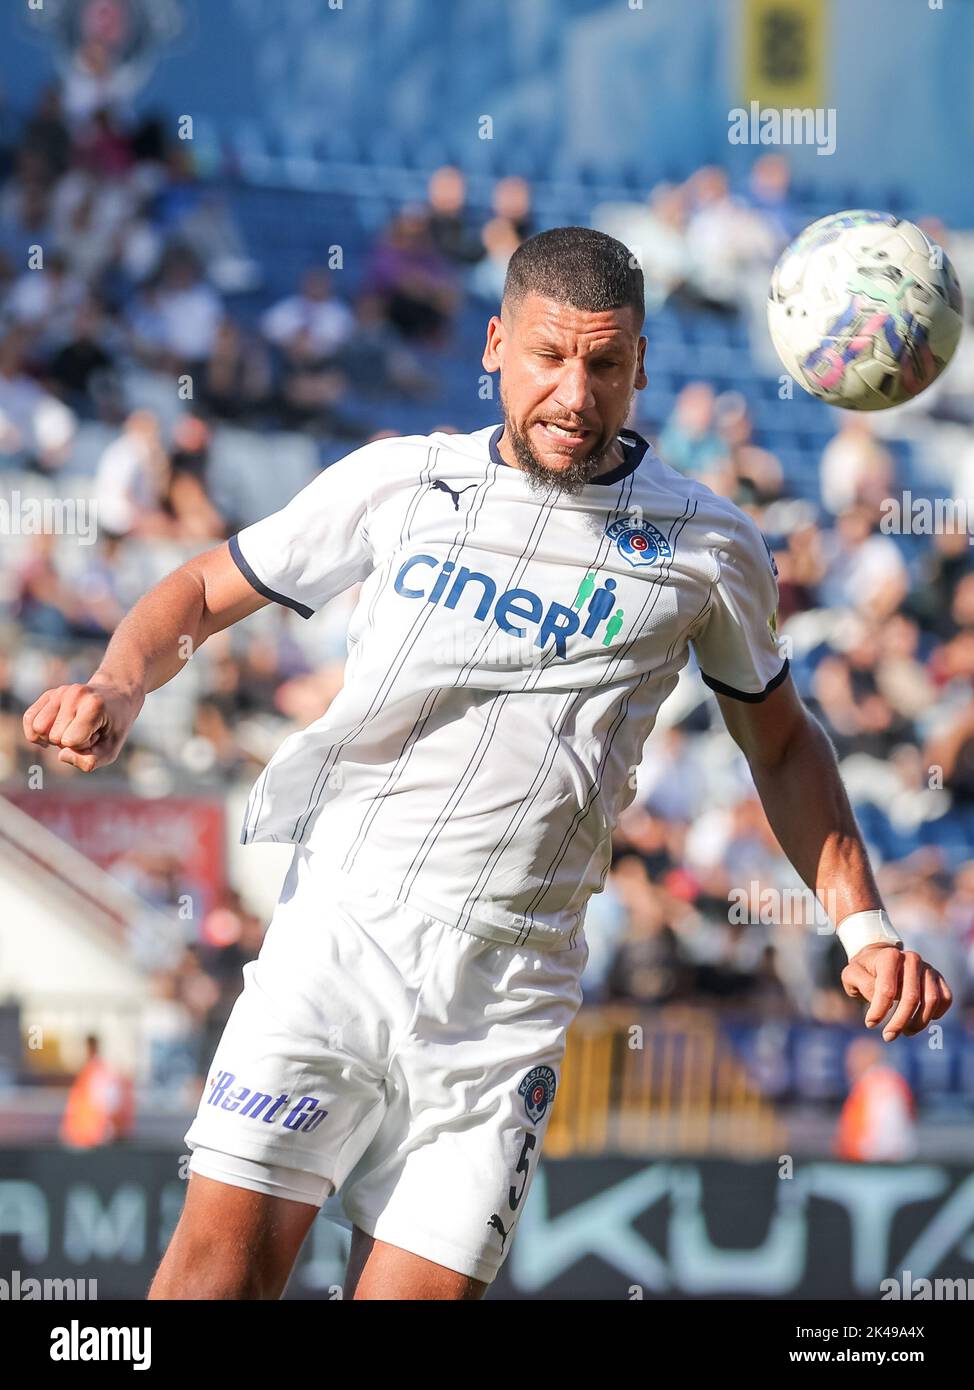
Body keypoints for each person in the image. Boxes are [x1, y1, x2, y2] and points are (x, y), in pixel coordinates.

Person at [24, 227, 952, 1301]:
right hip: (340, 942)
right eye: (548, 357)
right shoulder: (400, 482)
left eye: (604, 365)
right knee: (214, 1284)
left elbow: (781, 741)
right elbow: (200, 587)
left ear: (641, 365)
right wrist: (120, 682)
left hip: (507, 1006)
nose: (574, 391)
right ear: (494, 345)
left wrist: (864, 922)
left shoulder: (710, 548)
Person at [60, 1034, 134, 1149]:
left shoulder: (97, 1072)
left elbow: (108, 1103)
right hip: (85, 1138)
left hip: (92, 1140)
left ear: (89, 1048)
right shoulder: (88, 1072)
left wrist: (105, 1130)